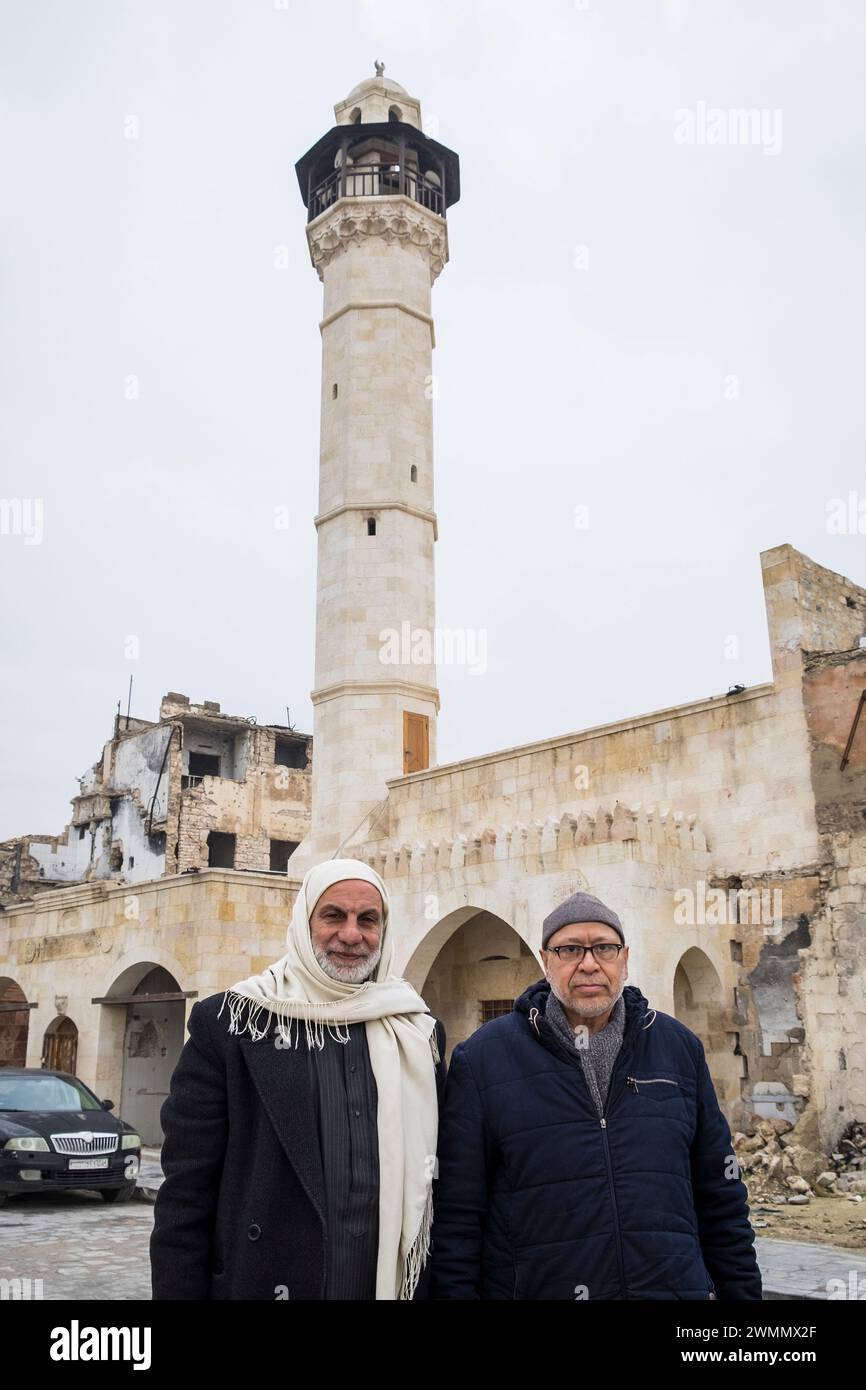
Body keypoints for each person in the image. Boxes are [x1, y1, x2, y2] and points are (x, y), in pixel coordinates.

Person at [431, 890, 761, 1300]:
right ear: (546, 961)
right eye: (570, 950)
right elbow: (458, 1214)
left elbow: (721, 1196)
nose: (589, 964)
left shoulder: (677, 1048)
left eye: (604, 948)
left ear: (624, 959)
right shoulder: (484, 1059)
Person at [150, 857, 445, 1300]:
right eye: (333, 916)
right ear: (304, 923)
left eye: (368, 920)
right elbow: (186, 1194)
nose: (351, 935)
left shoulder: (418, 1032)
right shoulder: (234, 1024)